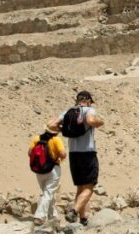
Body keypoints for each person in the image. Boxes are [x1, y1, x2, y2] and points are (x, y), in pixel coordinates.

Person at [49, 90, 104, 226]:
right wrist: (100, 121)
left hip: (74, 154)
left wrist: (65, 130)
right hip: (87, 153)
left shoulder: (68, 112)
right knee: (89, 187)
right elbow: (91, 121)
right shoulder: (88, 110)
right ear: (88, 101)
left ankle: (83, 217)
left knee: (80, 187)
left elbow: (51, 125)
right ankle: (73, 211)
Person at [28, 127, 67, 225]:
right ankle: (39, 217)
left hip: (39, 171)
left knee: (48, 194)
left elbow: (29, 152)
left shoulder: (37, 138)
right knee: (48, 194)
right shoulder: (56, 140)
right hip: (53, 170)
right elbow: (62, 154)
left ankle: (54, 217)